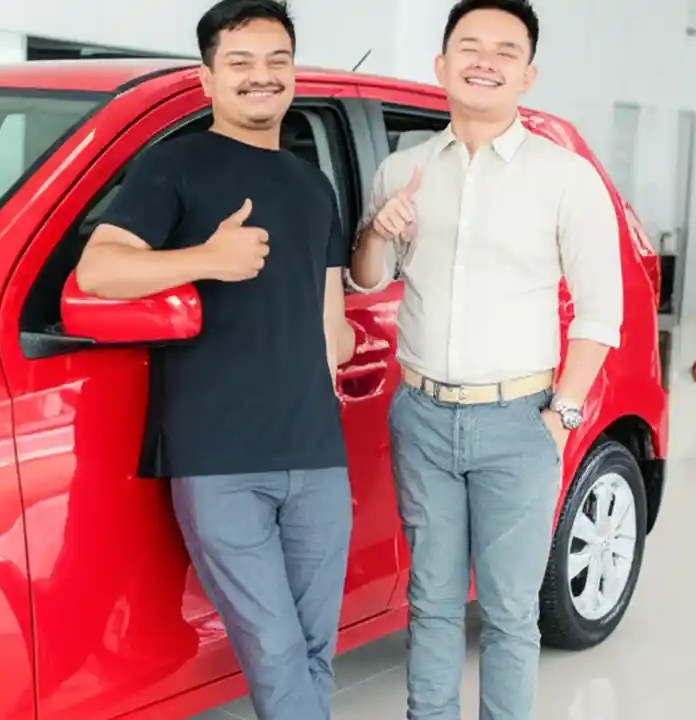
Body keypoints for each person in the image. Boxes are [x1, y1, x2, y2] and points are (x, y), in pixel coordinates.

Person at [74, 1, 356, 717]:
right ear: (207, 78)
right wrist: (207, 258)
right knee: (275, 647)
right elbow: (98, 271)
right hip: (220, 460)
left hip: (317, 457)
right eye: (240, 63)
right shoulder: (174, 165)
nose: (261, 78)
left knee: (315, 645)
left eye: (276, 62)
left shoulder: (312, 185)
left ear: (293, 73)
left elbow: (332, 329)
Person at [347, 1, 623, 719]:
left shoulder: (565, 177)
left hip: (519, 422)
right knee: (432, 605)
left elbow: (601, 313)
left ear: (527, 74)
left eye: (505, 50)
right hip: (423, 416)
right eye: (469, 45)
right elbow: (367, 276)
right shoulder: (403, 171)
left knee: (508, 613)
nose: (485, 60)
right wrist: (378, 230)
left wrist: (560, 418)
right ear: (441, 66)